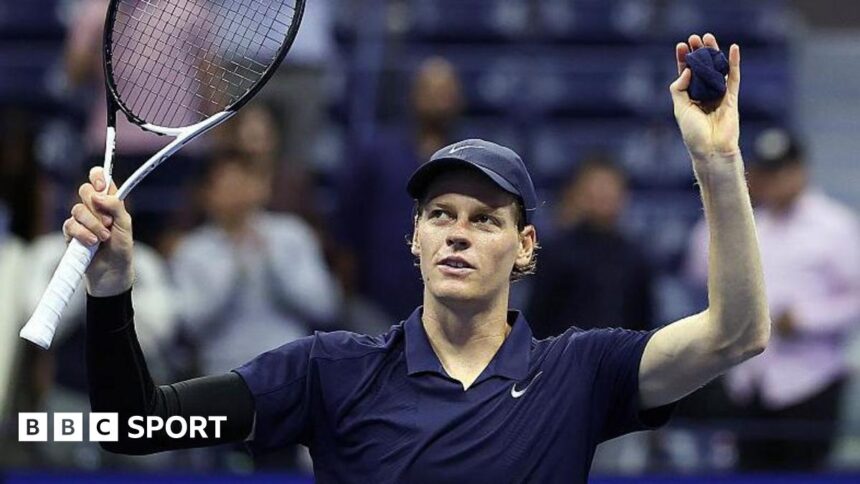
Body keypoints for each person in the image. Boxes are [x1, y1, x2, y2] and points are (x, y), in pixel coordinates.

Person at [65, 34, 770, 482]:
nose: (457, 233)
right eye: (439, 215)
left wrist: (717, 159)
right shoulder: (329, 371)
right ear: (415, 238)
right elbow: (131, 426)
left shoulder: (579, 373)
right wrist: (111, 287)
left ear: (525, 248)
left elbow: (737, 333)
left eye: (485, 219)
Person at [685, 127, 860, 471]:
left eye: (783, 170)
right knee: (748, 471)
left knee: (805, 474)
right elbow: (695, 272)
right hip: (749, 380)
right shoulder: (748, 221)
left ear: (801, 170)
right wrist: (728, 206)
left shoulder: (835, 225)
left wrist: (806, 318)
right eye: (768, 171)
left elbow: (856, 297)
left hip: (811, 379)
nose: (776, 180)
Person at [170, 149, 342, 375]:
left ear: (261, 186)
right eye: (227, 185)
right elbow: (188, 326)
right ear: (206, 194)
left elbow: (325, 306)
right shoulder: (192, 250)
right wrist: (233, 270)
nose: (238, 192)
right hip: (224, 372)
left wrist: (274, 263)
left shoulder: (292, 233)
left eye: (244, 180)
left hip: (292, 366)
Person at [336, 57, 464, 320]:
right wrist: (348, 296)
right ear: (412, 96)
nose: (437, 99)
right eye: (429, 90)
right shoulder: (377, 154)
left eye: (445, 92)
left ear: (459, 99)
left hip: (452, 309)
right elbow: (347, 228)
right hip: (375, 305)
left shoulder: (473, 161)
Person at [527, 155, 654, 338]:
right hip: (563, 358)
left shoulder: (636, 256)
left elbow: (643, 320)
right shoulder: (555, 251)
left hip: (619, 358)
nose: (604, 195)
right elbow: (538, 316)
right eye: (597, 187)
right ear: (578, 193)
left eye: (610, 187)